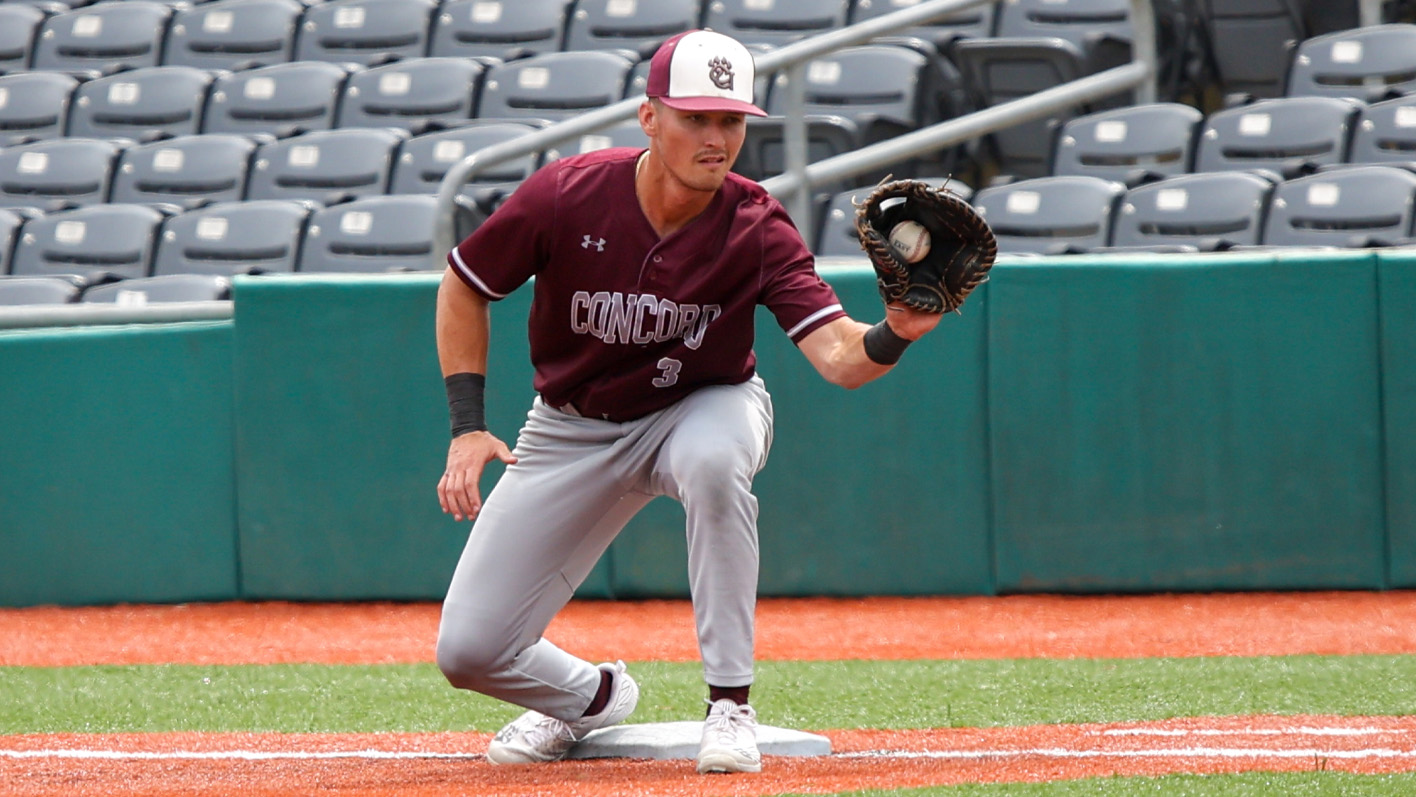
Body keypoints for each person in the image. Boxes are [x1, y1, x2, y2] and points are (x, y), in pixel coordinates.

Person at [433, 28, 943, 775]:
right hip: (571, 428)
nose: (715, 137)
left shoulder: (758, 223)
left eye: (730, 121)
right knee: (468, 651)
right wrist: (467, 427)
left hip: (703, 405)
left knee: (711, 461)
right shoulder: (566, 194)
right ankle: (593, 697)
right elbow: (464, 287)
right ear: (649, 118)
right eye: (694, 118)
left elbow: (838, 357)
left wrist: (894, 333)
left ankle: (730, 704)